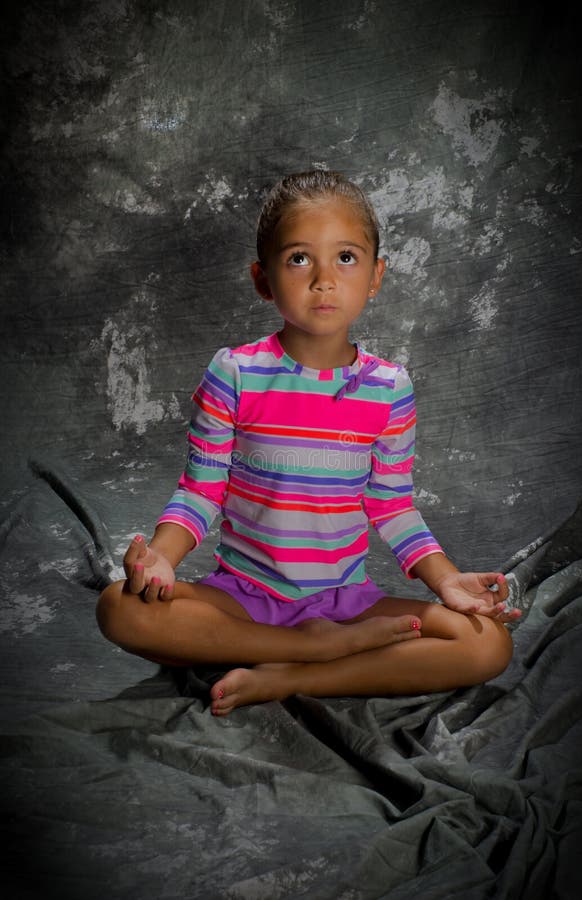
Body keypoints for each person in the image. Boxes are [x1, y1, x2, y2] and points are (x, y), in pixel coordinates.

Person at [96, 170, 521, 717]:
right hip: (243, 598)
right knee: (118, 608)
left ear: (375, 276)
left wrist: (447, 580)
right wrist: (161, 557)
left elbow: (390, 505)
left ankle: (295, 677)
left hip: (346, 603)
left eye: (346, 257)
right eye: (299, 258)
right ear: (263, 279)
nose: (324, 279)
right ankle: (307, 649)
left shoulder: (389, 388)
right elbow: (201, 492)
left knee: (486, 642)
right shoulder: (236, 374)